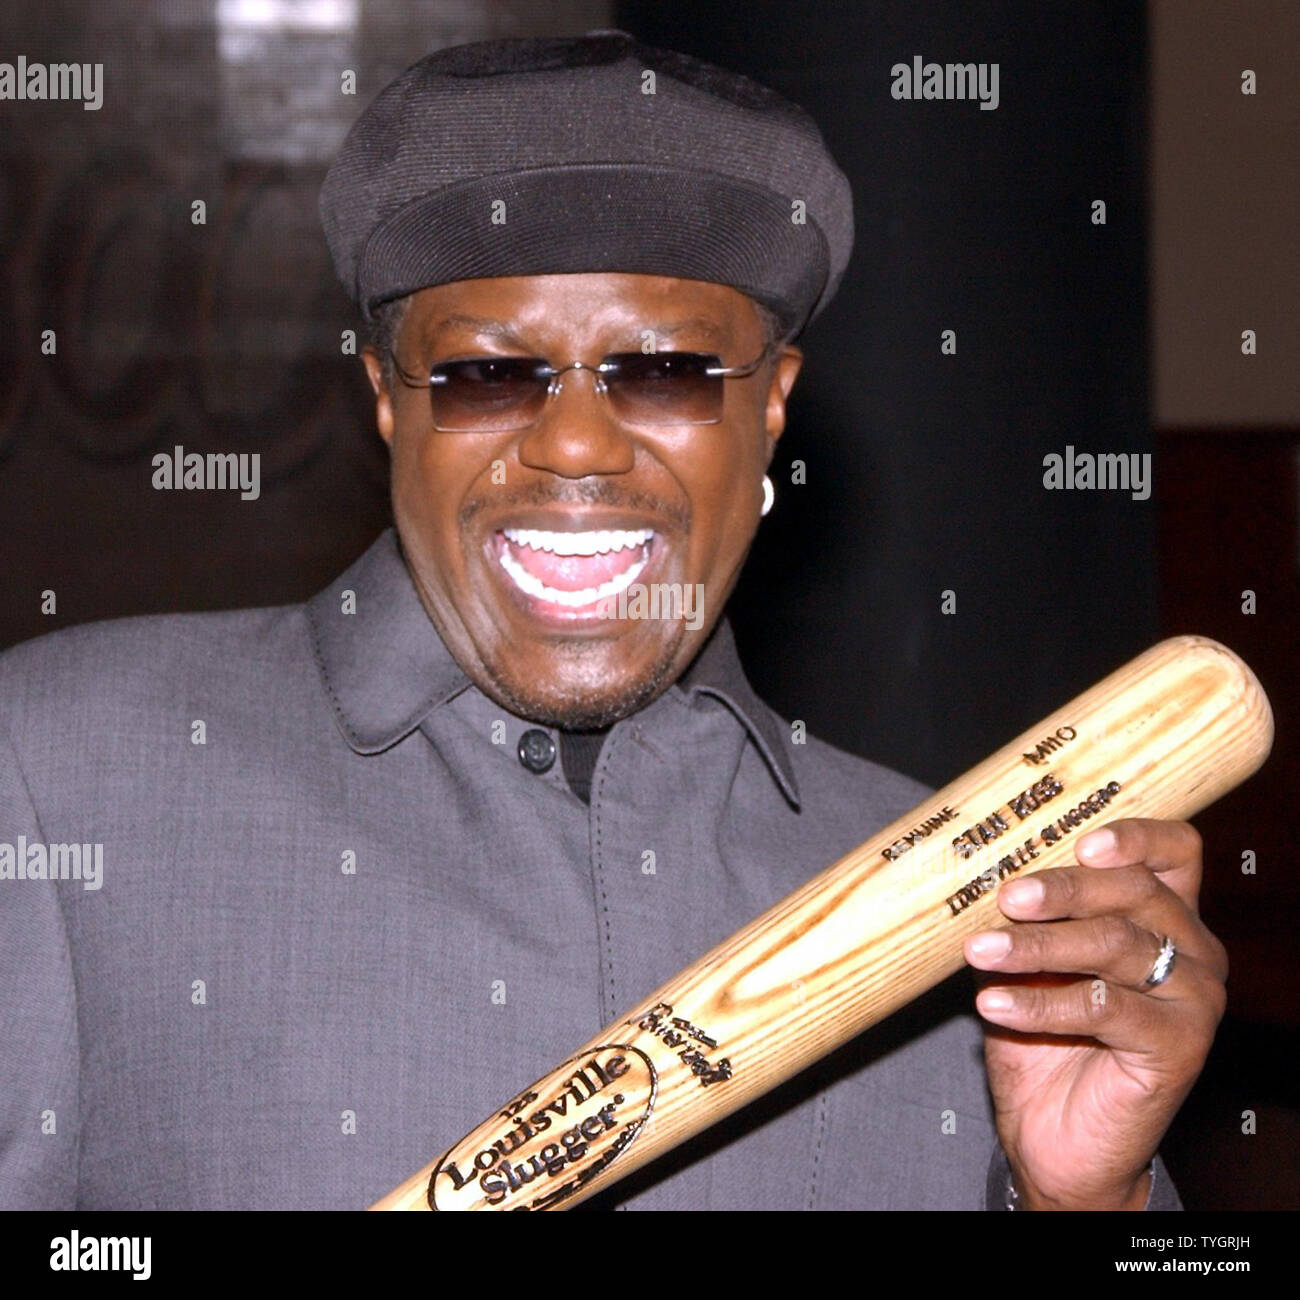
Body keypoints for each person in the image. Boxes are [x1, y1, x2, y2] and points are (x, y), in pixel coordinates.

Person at [0, 32, 1225, 1211]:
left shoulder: (964, 915)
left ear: (773, 405)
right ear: (386, 399)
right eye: (487, 373)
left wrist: (1081, 1197)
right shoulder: (65, 771)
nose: (576, 441)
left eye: (666, 370)